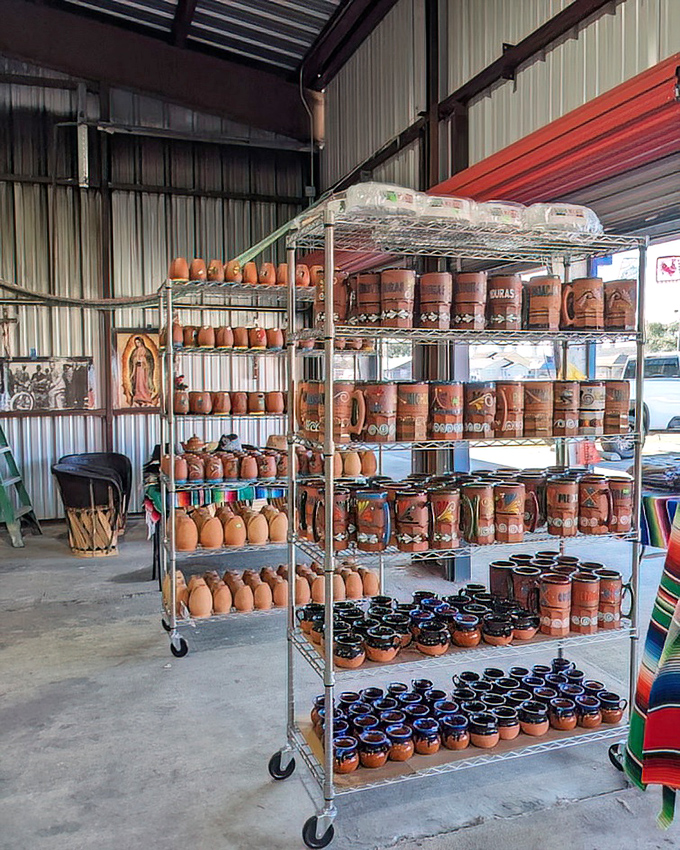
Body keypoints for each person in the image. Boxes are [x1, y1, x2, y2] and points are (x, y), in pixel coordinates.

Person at [128, 336, 157, 406]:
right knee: (137, 382)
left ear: (141, 342)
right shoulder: (134, 351)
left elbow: (150, 361)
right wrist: (135, 361)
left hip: (144, 369)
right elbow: (131, 361)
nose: (137, 344)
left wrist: (143, 360)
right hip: (137, 369)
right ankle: (138, 395)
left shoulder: (146, 351)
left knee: (143, 382)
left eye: (138, 342)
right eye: (136, 343)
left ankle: (144, 395)